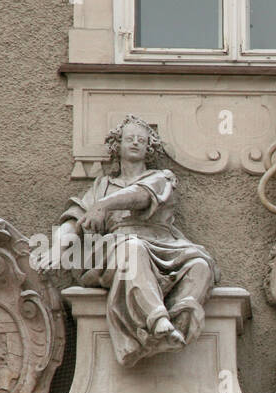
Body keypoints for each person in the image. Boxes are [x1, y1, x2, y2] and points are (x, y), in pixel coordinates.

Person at [39, 115, 217, 366]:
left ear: (149, 149)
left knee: (200, 265)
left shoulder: (161, 178)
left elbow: (141, 196)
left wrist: (103, 206)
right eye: (129, 139)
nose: (135, 143)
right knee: (133, 250)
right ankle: (157, 322)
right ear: (117, 145)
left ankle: (176, 324)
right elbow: (73, 221)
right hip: (119, 244)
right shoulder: (102, 185)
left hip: (165, 243)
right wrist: (58, 248)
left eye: (142, 140)